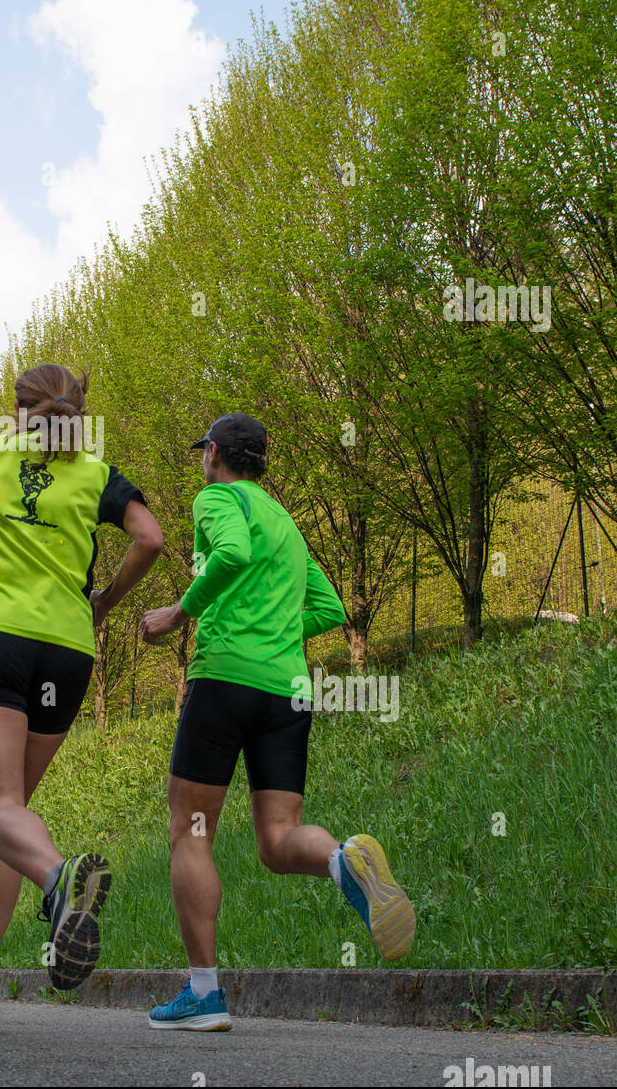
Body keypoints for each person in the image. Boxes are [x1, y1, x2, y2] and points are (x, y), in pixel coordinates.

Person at [140, 413, 415, 1031]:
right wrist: (273, 640)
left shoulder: (216, 497)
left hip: (225, 681)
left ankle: (204, 994)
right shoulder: (287, 524)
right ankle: (345, 859)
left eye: (202, 453)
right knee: (278, 840)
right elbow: (330, 608)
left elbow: (232, 552)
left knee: (190, 832)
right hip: (287, 688)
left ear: (212, 452)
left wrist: (180, 613)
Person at [0, 363, 163, 1031]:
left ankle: (61, 881)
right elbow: (151, 538)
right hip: (67, 649)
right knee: (10, 815)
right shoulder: (96, 470)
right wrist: (106, 600)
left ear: (17, 406)